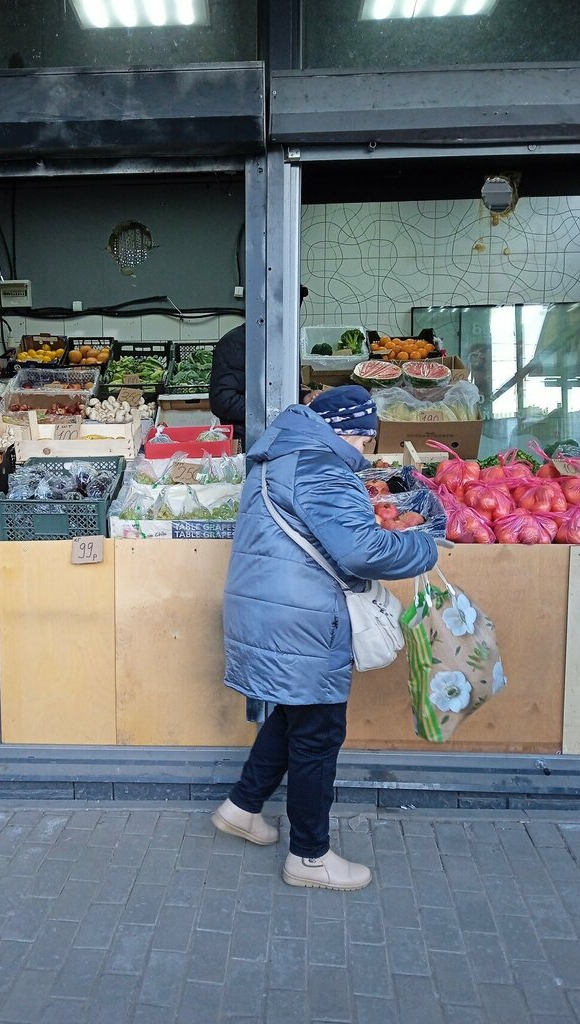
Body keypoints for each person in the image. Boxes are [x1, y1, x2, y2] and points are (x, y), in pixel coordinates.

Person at [211, 386, 438, 890]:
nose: (365, 449)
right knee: (318, 735)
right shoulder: (321, 468)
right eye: (366, 437)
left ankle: (242, 808)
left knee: (294, 712)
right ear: (352, 433)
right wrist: (425, 545)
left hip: (272, 610)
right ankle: (309, 858)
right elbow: (361, 551)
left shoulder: (280, 456)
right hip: (302, 620)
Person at [209, 287, 311, 449]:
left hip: (281, 437)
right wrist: (273, 408)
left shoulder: (285, 342)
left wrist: (304, 396)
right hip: (248, 442)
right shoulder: (234, 344)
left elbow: (282, 390)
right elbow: (223, 401)